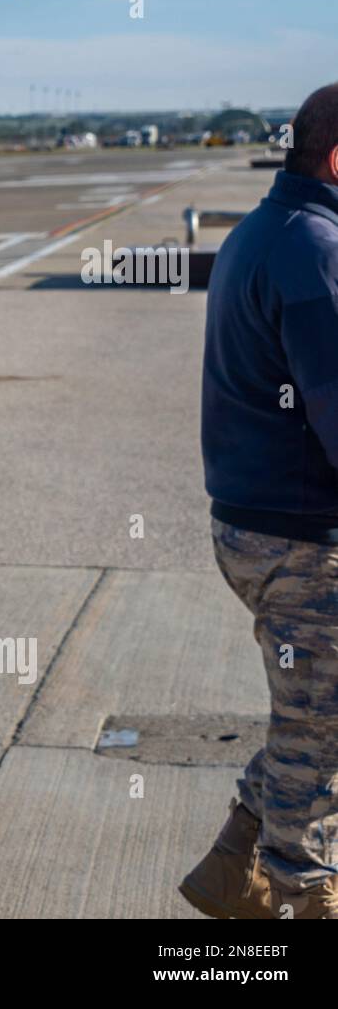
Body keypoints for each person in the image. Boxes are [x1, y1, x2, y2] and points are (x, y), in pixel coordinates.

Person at [184, 81, 338, 919]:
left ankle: (230, 866)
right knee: (325, 740)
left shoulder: (267, 227)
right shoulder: (318, 249)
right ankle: (306, 896)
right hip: (306, 540)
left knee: (311, 714)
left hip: (256, 524)